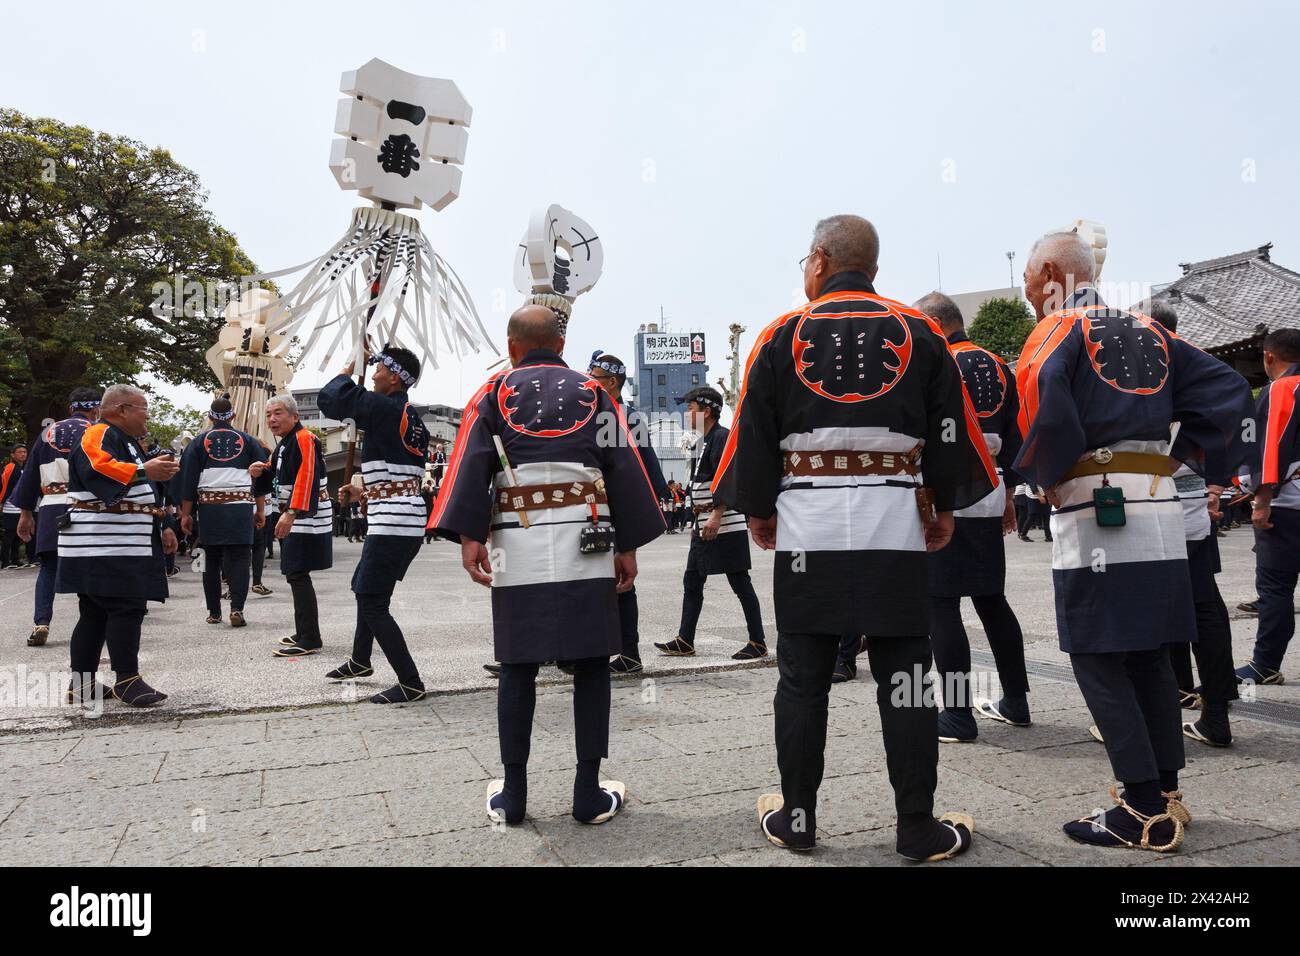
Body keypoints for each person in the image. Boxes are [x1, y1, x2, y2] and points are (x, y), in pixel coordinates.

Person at [714, 214, 995, 860]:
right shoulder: (921, 332)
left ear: (818, 261)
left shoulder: (781, 335)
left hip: (807, 524)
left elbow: (751, 434)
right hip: (894, 521)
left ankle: (800, 819)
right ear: (871, 266)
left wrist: (758, 508)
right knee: (906, 675)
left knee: (803, 679)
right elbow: (954, 428)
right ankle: (917, 826)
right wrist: (943, 504)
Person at [1013, 231, 1253, 853]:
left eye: (1028, 281)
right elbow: (1230, 391)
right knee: (1149, 652)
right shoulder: (1153, 331)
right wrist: (1186, 457)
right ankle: (1167, 791)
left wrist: (1046, 475)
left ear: (1044, 273)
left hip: (1096, 505)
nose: (1028, 292)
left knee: (1097, 654)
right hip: (1159, 502)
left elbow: (1044, 406)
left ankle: (1141, 807)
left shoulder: (1057, 329)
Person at [433, 304, 665, 826]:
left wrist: (471, 536)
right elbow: (623, 465)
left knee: (517, 664)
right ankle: (588, 792)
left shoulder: (492, 393)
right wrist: (625, 544)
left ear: (511, 346)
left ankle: (513, 795)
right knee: (591, 663)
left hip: (517, 538)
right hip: (591, 532)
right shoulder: (597, 394)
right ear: (561, 346)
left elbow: (472, 462)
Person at [912, 291, 1032, 741]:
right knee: (990, 600)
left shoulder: (938, 363)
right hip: (991, 484)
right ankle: (1016, 699)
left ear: (935, 323)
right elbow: (1018, 431)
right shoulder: (1000, 365)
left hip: (948, 487)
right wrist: (1009, 493)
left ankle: (958, 714)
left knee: (941, 603)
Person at [318, 345, 432, 704]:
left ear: (395, 376)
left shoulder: (385, 408)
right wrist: (361, 487)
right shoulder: (410, 416)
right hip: (402, 517)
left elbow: (330, 400)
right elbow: (398, 471)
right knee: (365, 589)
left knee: (372, 600)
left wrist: (349, 367)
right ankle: (360, 660)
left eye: (379, 367)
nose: (375, 371)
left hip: (394, 522)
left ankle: (410, 681)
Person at [1147, 303, 1238, 748]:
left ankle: (1167, 707)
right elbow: (1227, 412)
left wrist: (1173, 457)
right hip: (1190, 502)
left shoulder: (1148, 364)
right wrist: (1213, 480)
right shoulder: (1196, 364)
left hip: (1152, 501)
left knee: (1152, 610)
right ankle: (1211, 709)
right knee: (1203, 607)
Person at [56, 384, 180, 706]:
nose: (147, 416)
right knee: (126, 606)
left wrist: (162, 520)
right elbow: (96, 467)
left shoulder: (126, 441)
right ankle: (127, 679)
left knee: (95, 612)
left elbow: (139, 487)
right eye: (143, 409)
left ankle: (82, 684)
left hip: (113, 541)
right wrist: (143, 470)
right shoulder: (98, 432)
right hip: (105, 541)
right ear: (121, 409)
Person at [654, 385, 768, 660]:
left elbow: (729, 479)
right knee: (692, 580)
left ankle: (758, 641)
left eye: (690, 408)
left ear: (706, 411)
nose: (686, 412)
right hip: (702, 522)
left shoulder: (722, 438)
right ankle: (685, 639)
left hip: (724, 523)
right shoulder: (701, 441)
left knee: (740, 581)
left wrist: (716, 515)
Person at [588, 350, 669, 674]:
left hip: (616, 505)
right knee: (587, 578)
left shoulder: (628, 417)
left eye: (594, 378)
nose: (589, 382)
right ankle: (570, 650)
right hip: (589, 505)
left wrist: (655, 495)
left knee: (621, 581)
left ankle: (630, 652)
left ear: (612, 382)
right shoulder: (591, 411)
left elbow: (645, 460)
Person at [1235, 328, 1300, 685]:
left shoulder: (1283, 388)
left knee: (1275, 588)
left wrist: (1261, 500)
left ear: (1269, 357)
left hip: (1288, 505)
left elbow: (1270, 446)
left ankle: (1266, 664)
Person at [12, 388, 101, 645]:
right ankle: (92, 626)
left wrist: (25, 513)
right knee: (89, 567)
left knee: (49, 567)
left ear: (70, 407)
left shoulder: (47, 433)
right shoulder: (98, 432)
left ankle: (41, 622)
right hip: (86, 505)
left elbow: (29, 476)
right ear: (95, 408)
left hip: (51, 506)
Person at [252, 395, 333, 657]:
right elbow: (279, 469)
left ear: (294, 416)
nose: (272, 419)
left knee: (297, 572)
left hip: (303, 513)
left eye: (278, 413)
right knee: (294, 572)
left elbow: (307, 474)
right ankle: (305, 631)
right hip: (292, 511)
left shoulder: (304, 438)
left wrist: (292, 512)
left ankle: (310, 637)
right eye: (269, 415)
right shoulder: (286, 442)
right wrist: (261, 469)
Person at [178, 397, 268, 628]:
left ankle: (214, 612)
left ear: (209, 417)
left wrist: (186, 514)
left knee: (210, 559)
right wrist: (260, 510)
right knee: (239, 558)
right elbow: (260, 478)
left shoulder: (197, 443)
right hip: (240, 507)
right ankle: (236, 607)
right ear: (233, 417)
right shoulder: (249, 441)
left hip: (210, 509)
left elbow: (188, 482)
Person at [2, 443, 33, 569]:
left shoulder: (23, 468)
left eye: (24, 452)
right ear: (13, 455)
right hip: (10, 506)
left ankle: (15, 560)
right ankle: (5, 561)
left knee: (17, 534)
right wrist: (1, 501)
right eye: (19, 452)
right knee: (9, 535)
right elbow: (4, 487)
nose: (23, 454)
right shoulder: (10, 467)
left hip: (20, 507)